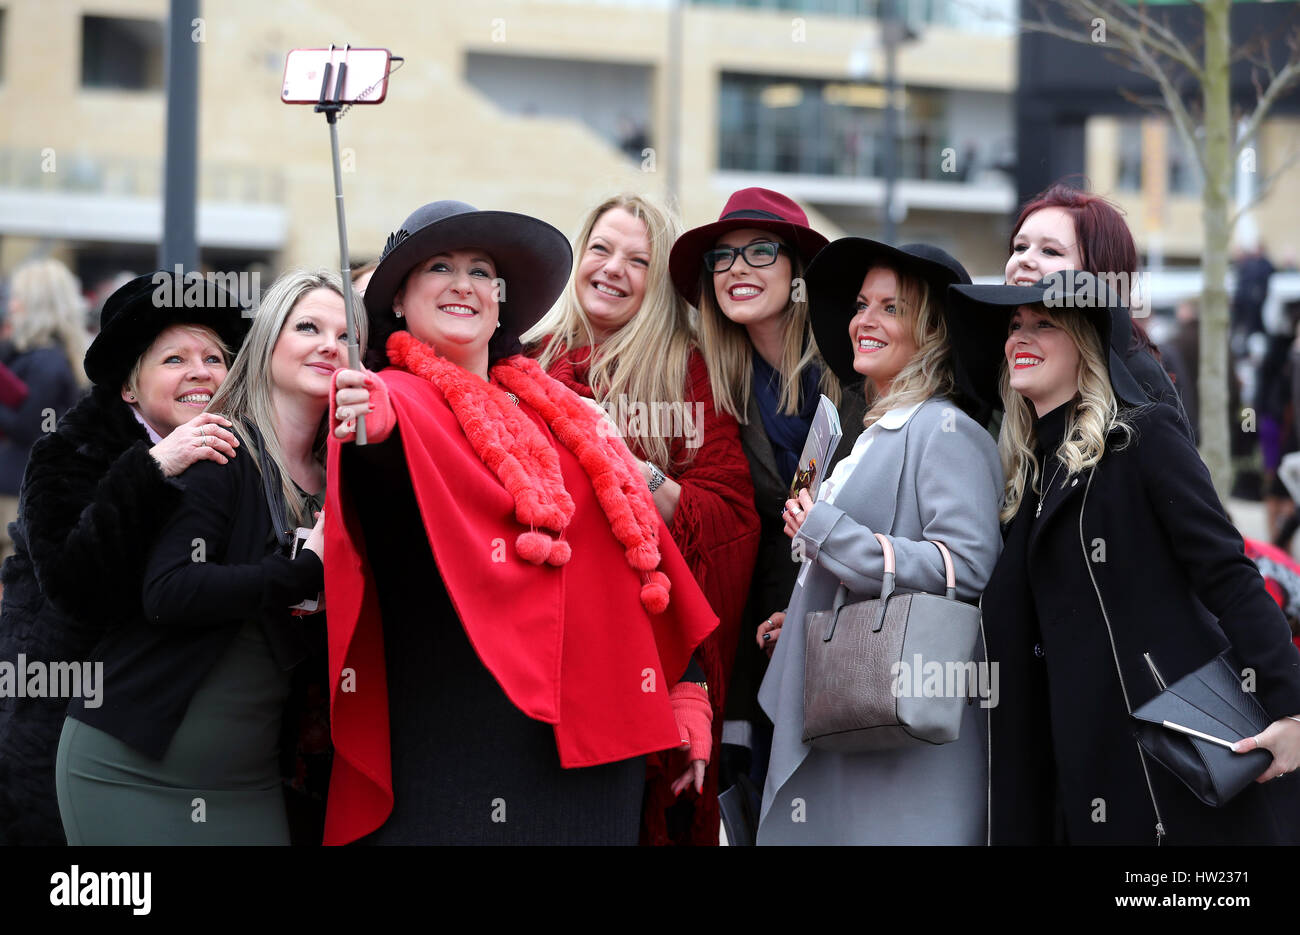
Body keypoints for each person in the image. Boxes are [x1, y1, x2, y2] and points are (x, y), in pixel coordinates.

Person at [323, 200, 720, 845]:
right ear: (397, 300)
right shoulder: (394, 397)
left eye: (482, 271)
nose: (464, 284)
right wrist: (374, 436)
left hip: (593, 753)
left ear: (500, 301)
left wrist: (685, 684)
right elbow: (384, 495)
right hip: (463, 744)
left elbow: (635, 550)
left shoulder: (564, 412)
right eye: (440, 267)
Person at [947, 270, 1300, 845]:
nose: (1020, 337)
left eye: (1044, 324)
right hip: (1069, 774)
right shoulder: (1023, 479)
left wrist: (1292, 709)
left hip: (1167, 766)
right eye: (1014, 326)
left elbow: (1229, 575)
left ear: (1085, 345)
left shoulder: (1142, 437)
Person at [54, 269, 359, 844]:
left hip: (247, 783)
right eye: (309, 327)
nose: (329, 345)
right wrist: (303, 569)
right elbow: (170, 592)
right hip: (130, 769)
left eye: (347, 336)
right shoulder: (220, 447)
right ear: (267, 345)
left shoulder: (339, 477)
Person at [524, 193, 760, 845]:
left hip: (636, 660)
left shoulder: (688, 374)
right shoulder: (525, 360)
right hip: (537, 649)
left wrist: (631, 468)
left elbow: (729, 517)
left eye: (638, 260)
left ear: (657, 285)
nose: (612, 268)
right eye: (600, 249)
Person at [756, 239, 1003, 844]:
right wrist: (810, 614)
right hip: (859, 718)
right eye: (862, 305)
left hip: (903, 738)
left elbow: (966, 567)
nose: (864, 321)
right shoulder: (876, 432)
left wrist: (832, 535)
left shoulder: (946, 430)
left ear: (931, 331)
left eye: (890, 308)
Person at [0, 270, 249, 845]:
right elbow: (76, 585)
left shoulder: (239, 447)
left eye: (214, 357)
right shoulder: (68, 452)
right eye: (174, 359)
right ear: (129, 388)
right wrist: (154, 468)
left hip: (188, 732)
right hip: (62, 715)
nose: (199, 373)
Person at [668, 187, 865, 800]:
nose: (737, 269)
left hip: (857, 637)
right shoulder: (712, 385)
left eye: (760, 251)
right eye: (722, 258)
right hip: (757, 644)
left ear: (797, 272)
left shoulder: (858, 369)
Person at [1005, 181, 1193, 439]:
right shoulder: (1003, 352)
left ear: (1097, 273)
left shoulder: (1139, 385)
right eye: (1020, 247)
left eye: (1050, 251)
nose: (1024, 259)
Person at [0, 259, 89, 563]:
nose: (10, 305)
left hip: (18, 491)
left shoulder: (47, 362)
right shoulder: (46, 357)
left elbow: (27, 428)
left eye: (17, 298)